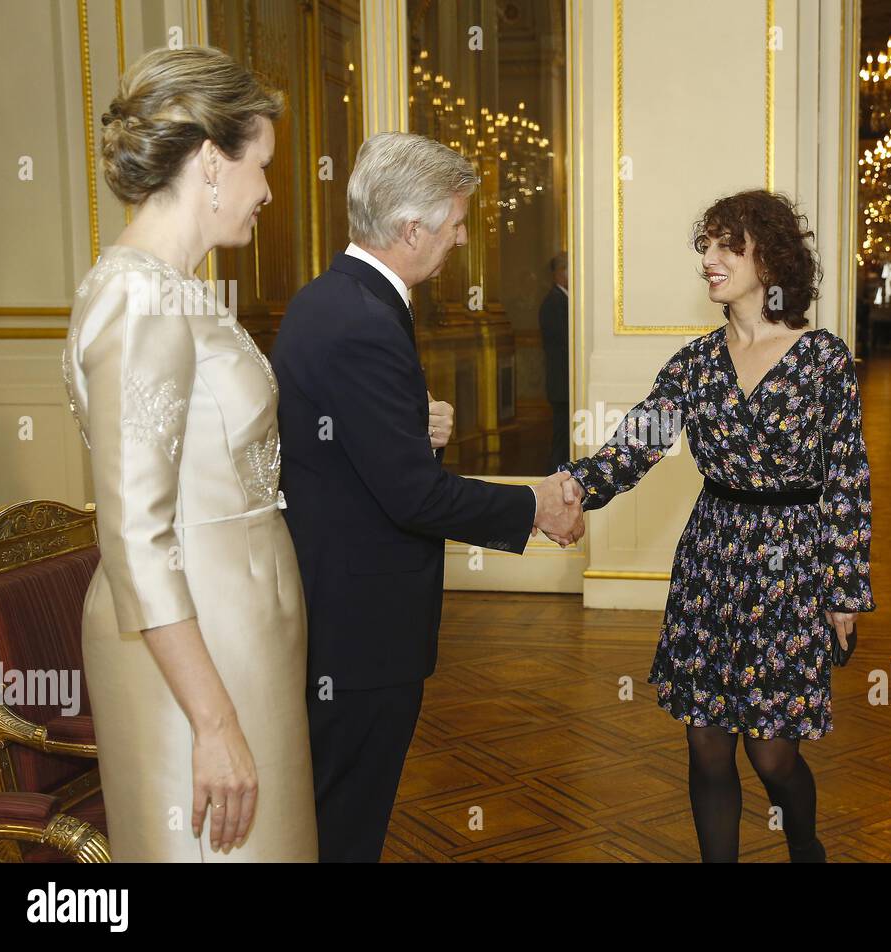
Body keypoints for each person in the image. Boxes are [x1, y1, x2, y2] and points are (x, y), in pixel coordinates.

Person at [271, 133, 585, 862]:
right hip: (361, 631)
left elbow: (352, 448)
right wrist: (534, 506)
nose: (462, 239)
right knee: (345, 823)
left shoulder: (335, 298)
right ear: (411, 230)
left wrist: (415, 422)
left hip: (342, 611)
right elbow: (411, 496)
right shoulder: (363, 320)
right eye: (454, 224)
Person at [558, 190, 875, 862]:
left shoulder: (822, 359)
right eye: (705, 244)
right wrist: (571, 489)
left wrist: (846, 591)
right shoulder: (696, 364)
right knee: (706, 744)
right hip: (712, 560)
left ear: (772, 254)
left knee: (772, 755)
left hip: (791, 564)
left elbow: (847, 477)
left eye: (728, 243)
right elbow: (633, 445)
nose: (710, 258)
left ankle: (806, 847)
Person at [63, 46, 316, 860]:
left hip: (233, 635)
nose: (269, 192)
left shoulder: (173, 288)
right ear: (212, 161)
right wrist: (212, 721)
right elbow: (136, 535)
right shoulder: (140, 298)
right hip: (193, 648)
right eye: (262, 165)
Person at [539, 251, 571, 472]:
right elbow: (562, 339)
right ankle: (555, 476)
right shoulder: (552, 303)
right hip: (561, 382)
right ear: (560, 273)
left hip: (567, 382)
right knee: (561, 436)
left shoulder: (565, 300)